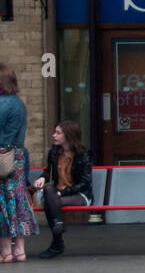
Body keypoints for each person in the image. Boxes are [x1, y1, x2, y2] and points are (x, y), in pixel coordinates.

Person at [31, 120, 92, 261]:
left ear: (68, 136)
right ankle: (58, 225)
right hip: (57, 194)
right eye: (54, 132)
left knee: (51, 201)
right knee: (48, 189)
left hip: (79, 195)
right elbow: (48, 172)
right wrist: (42, 178)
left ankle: (57, 243)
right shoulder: (54, 152)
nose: (54, 136)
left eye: (58, 133)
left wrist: (62, 193)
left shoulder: (84, 154)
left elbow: (85, 182)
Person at [0, 65, 39, 262]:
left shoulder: (2, 103)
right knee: (18, 202)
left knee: (3, 204)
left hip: (2, 157)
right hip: (18, 157)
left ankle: (6, 251)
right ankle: (20, 250)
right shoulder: (19, 104)